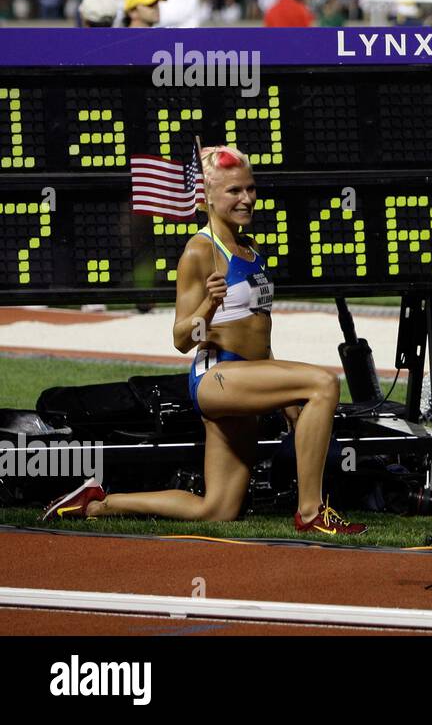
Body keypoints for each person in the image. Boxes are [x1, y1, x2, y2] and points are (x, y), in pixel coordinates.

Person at [42, 146, 365, 535]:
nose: (246, 198)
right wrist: (208, 307)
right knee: (324, 382)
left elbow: (259, 330)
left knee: (216, 509)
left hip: (250, 377)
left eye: (250, 189)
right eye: (234, 191)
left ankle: (97, 503)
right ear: (208, 196)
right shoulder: (199, 251)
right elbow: (181, 338)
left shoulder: (251, 249)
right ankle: (311, 513)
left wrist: (281, 391)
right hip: (218, 378)